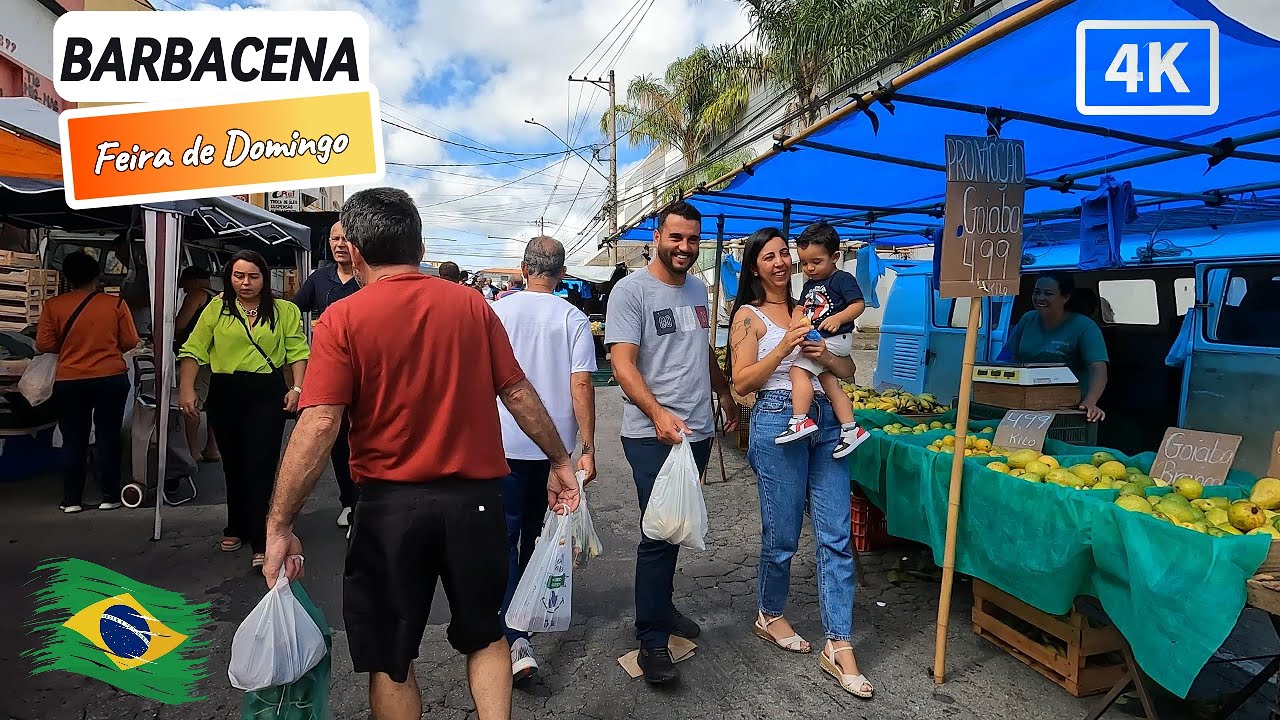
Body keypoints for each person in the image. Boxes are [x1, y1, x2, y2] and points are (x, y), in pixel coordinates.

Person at [262, 188, 580, 720]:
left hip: (389, 511)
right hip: (475, 503)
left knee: (392, 657)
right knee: (486, 636)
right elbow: (517, 390)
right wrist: (560, 460)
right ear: (421, 244)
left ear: (357, 252)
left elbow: (319, 423)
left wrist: (279, 523)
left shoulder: (343, 318)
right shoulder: (472, 305)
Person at [725, 227, 874, 698]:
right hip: (778, 421)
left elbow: (847, 370)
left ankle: (840, 643)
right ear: (754, 266)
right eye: (768, 257)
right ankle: (770, 613)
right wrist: (786, 346)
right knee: (783, 535)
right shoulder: (748, 317)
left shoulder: (815, 301)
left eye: (784, 255)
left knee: (835, 535)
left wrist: (822, 353)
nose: (781, 263)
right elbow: (742, 382)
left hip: (827, 419)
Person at [605, 200, 739, 685]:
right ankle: (652, 640)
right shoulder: (630, 291)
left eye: (692, 239)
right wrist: (659, 414)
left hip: (695, 433)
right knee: (658, 535)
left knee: (676, 524)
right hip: (651, 435)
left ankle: (662, 606)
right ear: (657, 237)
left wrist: (723, 391)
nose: (685, 247)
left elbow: (699, 349)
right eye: (676, 237)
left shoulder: (699, 289)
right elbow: (622, 364)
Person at [491, 236, 597, 682]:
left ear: (523, 268)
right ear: (562, 273)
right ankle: (522, 624)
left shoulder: (496, 311)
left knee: (507, 533)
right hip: (552, 449)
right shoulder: (571, 317)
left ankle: (513, 629)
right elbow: (581, 385)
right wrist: (587, 446)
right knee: (537, 532)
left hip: (502, 442)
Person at [177, 250, 310, 568]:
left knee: (261, 464)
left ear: (265, 278)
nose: (246, 283)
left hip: (266, 392)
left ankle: (262, 536)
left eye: (253, 276)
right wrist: (186, 389)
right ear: (228, 277)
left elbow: (297, 350)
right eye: (239, 276)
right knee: (233, 464)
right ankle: (235, 525)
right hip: (226, 391)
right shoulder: (217, 309)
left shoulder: (284, 310)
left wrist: (297, 388)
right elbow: (194, 348)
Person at [36, 251, 140, 514]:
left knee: (74, 439)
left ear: (67, 277)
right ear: (97, 276)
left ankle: (71, 499)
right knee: (108, 436)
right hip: (110, 377)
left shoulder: (54, 306)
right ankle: (109, 495)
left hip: (70, 379)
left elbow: (44, 344)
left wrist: (70, 345)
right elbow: (130, 341)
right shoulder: (114, 304)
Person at [774, 221, 868, 457]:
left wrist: (838, 318)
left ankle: (799, 419)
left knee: (798, 372)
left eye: (816, 262)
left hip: (836, 336)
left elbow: (858, 304)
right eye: (804, 263)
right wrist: (796, 318)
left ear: (835, 256)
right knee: (830, 385)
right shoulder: (810, 285)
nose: (809, 268)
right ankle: (850, 428)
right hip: (822, 337)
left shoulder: (842, 279)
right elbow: (801, 307)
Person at [292, 221, 361, 530]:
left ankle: (367, 502)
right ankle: (348, 501)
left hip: (366, 372)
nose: (340, 244)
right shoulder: (320, 279)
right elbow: (293, 312)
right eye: (335, 238)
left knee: (367, 437)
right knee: (335, 440)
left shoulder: (367, 278)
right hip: (330, 370)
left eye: (346, 238)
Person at [1003, 273, 1109, 421]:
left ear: (1065, 297)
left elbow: (1098, 368)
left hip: (1067, 405)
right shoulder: (1028, 319)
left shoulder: (1085, 327)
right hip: (1026, 400)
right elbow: (1007, 356)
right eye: (1036, 292)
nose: (1040, 298)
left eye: (1048, 293)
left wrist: (1090, 401)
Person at [173, 266, 220, 463]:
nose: (183, 290)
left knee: (192, 404)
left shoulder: (197, 295)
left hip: (199, 358)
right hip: (218, 357)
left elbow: (181, 324)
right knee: (214, 404)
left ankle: (192, 450)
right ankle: (213, 448)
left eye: (184, 285)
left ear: (193, 281)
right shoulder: (218, 297)